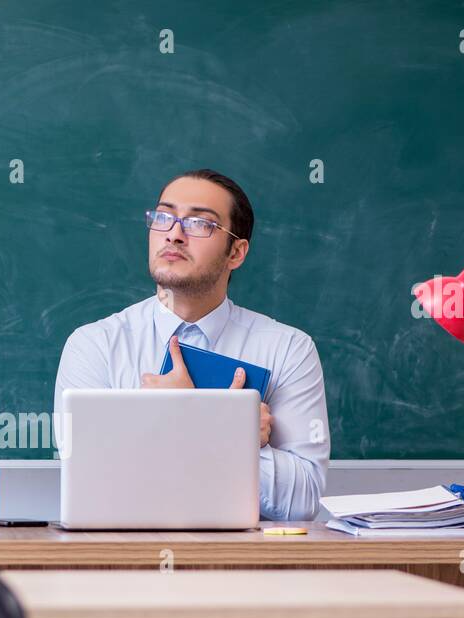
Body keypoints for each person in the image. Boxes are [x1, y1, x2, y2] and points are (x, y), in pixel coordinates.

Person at [53, 168, 329, 521]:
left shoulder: (289, 349)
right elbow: (90, 486)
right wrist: (220, 428)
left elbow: (302, 500)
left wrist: (180, 430)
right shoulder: (94, 346)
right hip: (123, 564)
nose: (175, 235)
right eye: (164, 217)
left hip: (246, 568)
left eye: (200, 224)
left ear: (236, 252)